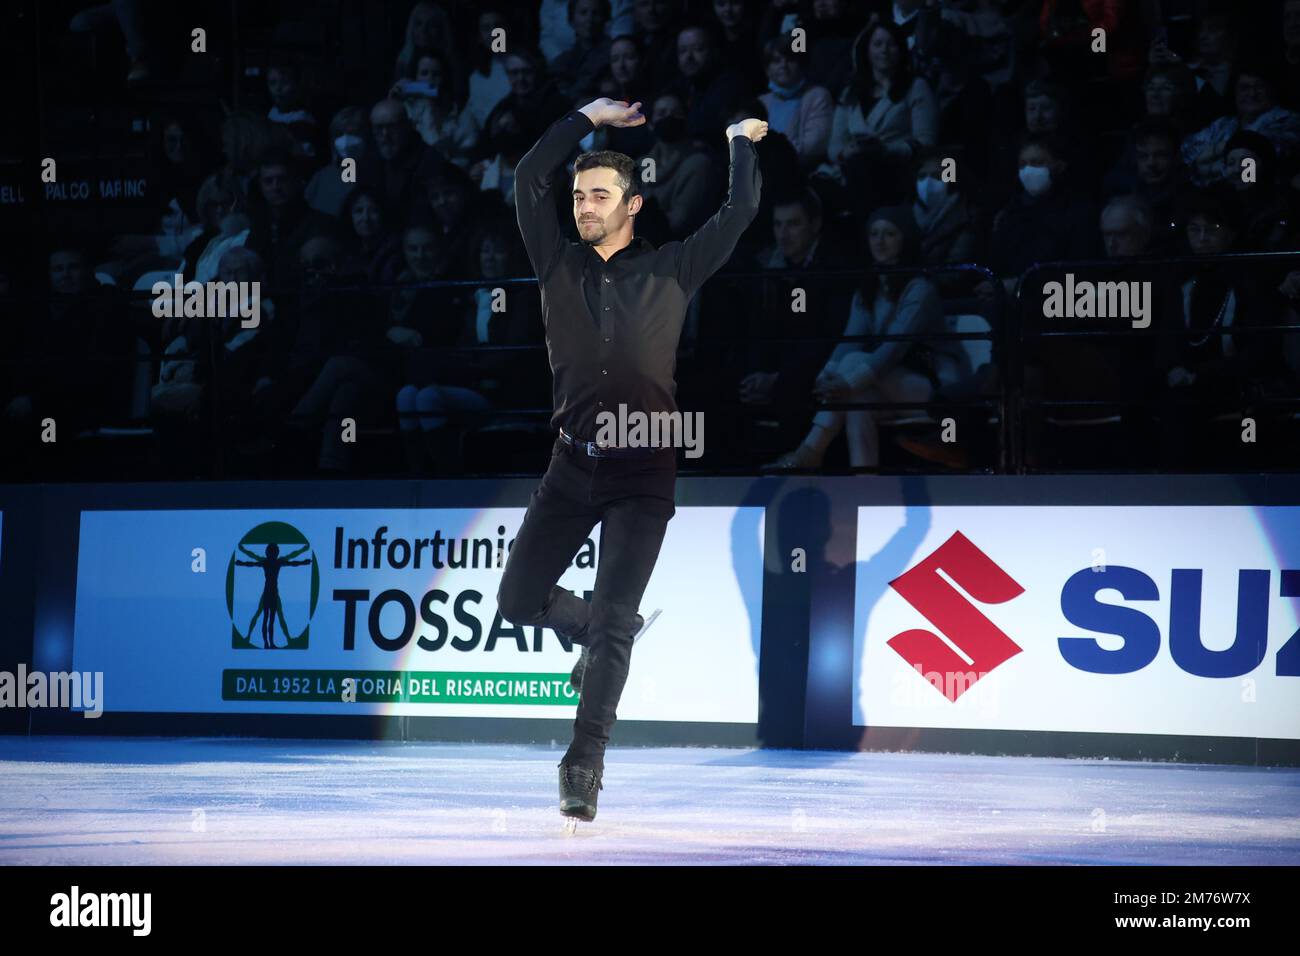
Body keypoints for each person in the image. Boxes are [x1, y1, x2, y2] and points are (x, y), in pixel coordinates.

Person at [495, 97, 764, 823]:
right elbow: (527, 176)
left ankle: (584, 762)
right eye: (579, 195)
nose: (584, 206)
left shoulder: (673, 269)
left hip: (645, 469)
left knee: (617, 618)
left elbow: (738, 213)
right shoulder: (555, 263)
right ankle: (584, 628)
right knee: (516, 600)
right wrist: (586, 118)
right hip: (571, 464)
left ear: (633, 204)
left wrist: (737, 138)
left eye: (599, 196)